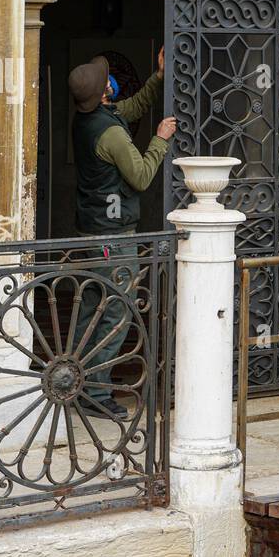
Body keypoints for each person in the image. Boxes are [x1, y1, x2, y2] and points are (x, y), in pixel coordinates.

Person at [66, 49, 176, 417]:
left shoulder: (90, 118)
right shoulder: (110, 132)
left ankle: (74, 381)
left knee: (89, 311)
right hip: (113, 238)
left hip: (90, 232)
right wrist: (160, 138)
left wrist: (158, 77)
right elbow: (142, 176)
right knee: (116, 312)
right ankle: (95, 392)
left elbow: (131, 108)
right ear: (103, 93)